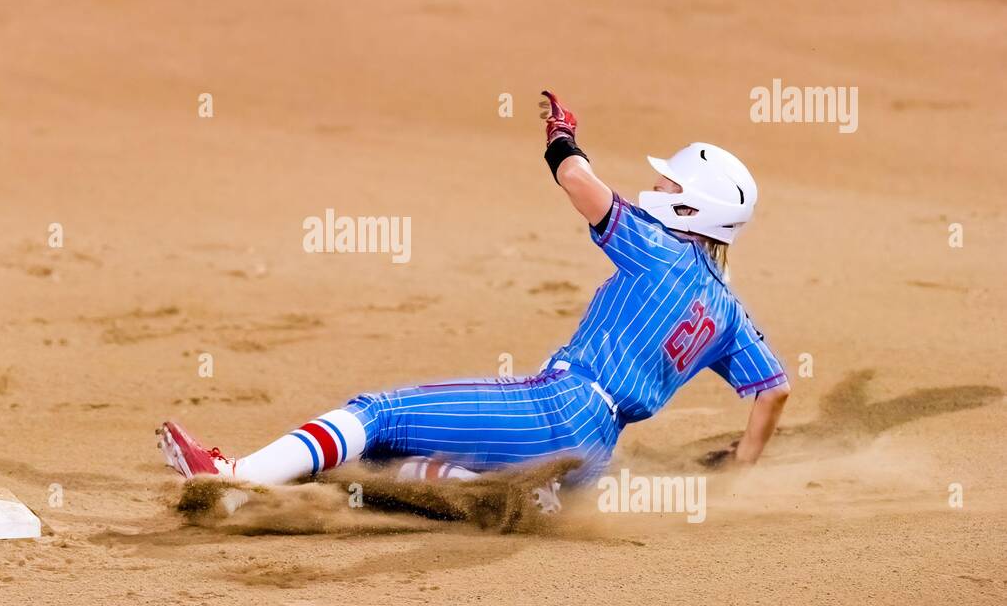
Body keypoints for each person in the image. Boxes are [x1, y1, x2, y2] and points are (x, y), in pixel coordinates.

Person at [158, 90, 790, 492]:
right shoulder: (728, 311)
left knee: (377, 415)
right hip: (591, 455)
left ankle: (232, 476)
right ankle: (466, 487)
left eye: (671, 184)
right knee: (381, 469)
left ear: (690, 208)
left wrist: (561, 135)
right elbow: (774, 389)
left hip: (557, 409)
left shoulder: (657, 249)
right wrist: (742, 464)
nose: (660, 186)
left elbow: (576, 180)